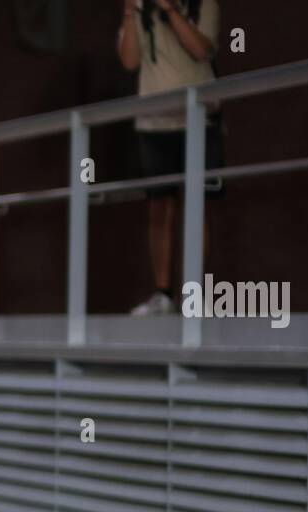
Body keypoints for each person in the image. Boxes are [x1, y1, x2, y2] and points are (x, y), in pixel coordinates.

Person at [118, 0, 223, 315]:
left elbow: (201, 49)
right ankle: (162, 293)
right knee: (159, 206)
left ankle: (192, 292)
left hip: (197, 115)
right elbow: (129, 60)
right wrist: (130, 12)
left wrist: (171, 10)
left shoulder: (204, 4)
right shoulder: (139, 8)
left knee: (196, 204)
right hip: (154, 119)